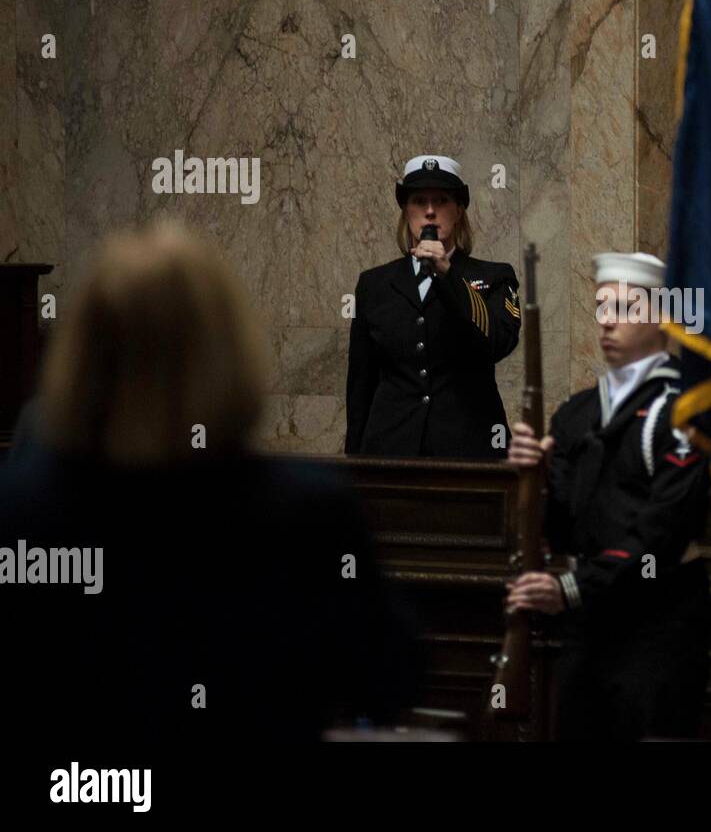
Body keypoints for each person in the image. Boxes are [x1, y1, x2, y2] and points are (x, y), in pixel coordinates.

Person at [0, 222, 420, 741]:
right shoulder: (309, 512)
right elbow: (390, 678)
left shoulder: (18, 510)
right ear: (228, 352)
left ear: (81, 354)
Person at [505, 252, 711, 741]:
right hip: (588, 625)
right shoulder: (576, 414)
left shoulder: (684, 409)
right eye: (601, 307)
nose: (608, 322)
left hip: (656, 624)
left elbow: (660, 534)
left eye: (625, 308)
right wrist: (534, 479)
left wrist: (571, 590)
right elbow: (559, 529)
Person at [346, 155, 520, 459]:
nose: (429, 211)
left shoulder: (494, 277)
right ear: (405, 210)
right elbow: (361, 382)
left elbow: (497, 343)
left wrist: (447, 274)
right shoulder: (374, 285)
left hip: (469, 449)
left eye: (441, 201)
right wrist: (355, 464)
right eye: (419, 201)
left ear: (458, 210)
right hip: (391, 450)